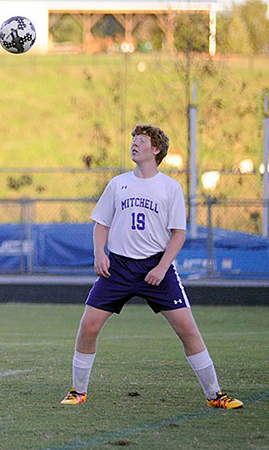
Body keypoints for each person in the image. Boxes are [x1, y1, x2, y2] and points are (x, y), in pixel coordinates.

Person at [60, 124, 243, 409]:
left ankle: (215, 395)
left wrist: (161, 268)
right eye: (133, 139)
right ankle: (77, 391)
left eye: (141, 140)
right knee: (88, 326)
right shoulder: (118, 183)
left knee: (188, 330)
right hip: (118, 268)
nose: (134, 143)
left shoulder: (170, 187)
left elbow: (178, 234)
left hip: (157, 267)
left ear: (156, 149)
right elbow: (101, 224)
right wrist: (99, 254)